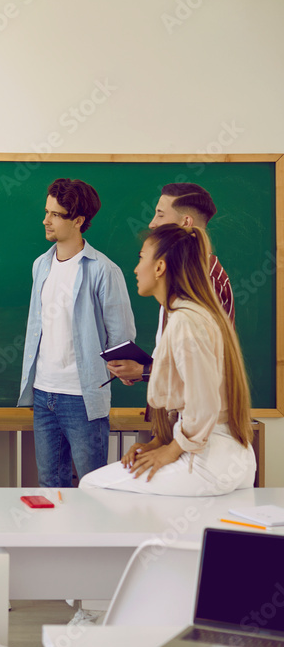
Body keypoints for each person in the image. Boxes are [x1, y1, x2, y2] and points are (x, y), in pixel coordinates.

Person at [80, 224, 256, 495]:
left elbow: (204, 403)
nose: (137, 269)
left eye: (141, 258)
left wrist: (171, 451)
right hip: (229, 456)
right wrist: (158, 444)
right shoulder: (194, 313)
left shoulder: (185, 320)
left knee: (91, 486)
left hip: (208, 460)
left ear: (160, 267)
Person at [17, 179, 136, 488]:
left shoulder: (103, 270)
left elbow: (122, 339)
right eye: (46, 212)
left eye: (55, 214)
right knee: (50, 486)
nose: (45, 220)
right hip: (43, 395)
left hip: (82, 398)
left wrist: (100, 378)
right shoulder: (40, 266)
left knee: (93, 488)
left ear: (78, 220)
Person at [107, 182, 234, 386]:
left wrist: (144, 371)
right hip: (177, 406)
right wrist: (143, 370)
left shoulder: (204, 279)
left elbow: (202, 362)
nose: (152, 223)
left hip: (193, 411)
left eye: (160, 214)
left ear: (185, 222)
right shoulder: (182, 274)